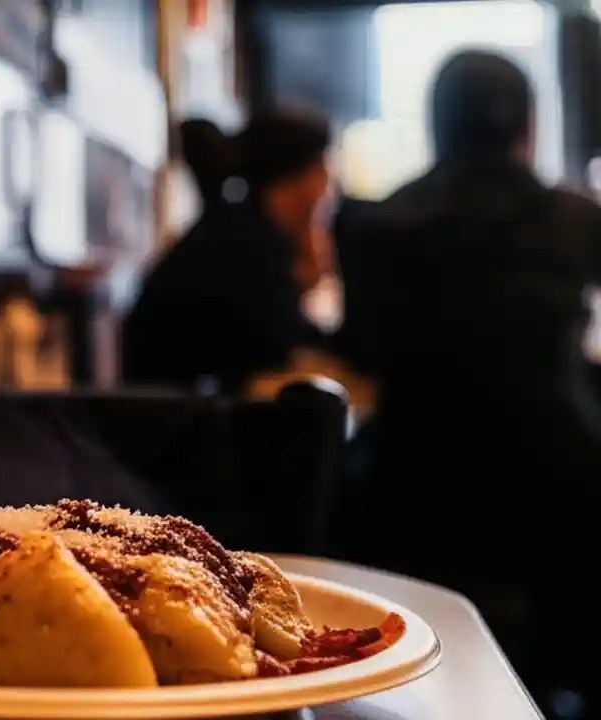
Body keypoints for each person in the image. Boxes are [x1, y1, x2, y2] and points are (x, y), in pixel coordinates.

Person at [335, 50, 601, 715]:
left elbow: (363, 352)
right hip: (557, 489)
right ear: (528, 127)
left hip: (412, 489)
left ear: (438, 124)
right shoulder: (576, 220)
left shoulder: (372, 225)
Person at [123, 110, 333, 392]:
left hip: (176, 404)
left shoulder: (241, 226)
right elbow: (275, 350)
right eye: (325, 169)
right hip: (173, 411)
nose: (329, 188)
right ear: (305, 177)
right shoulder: (248, 243)